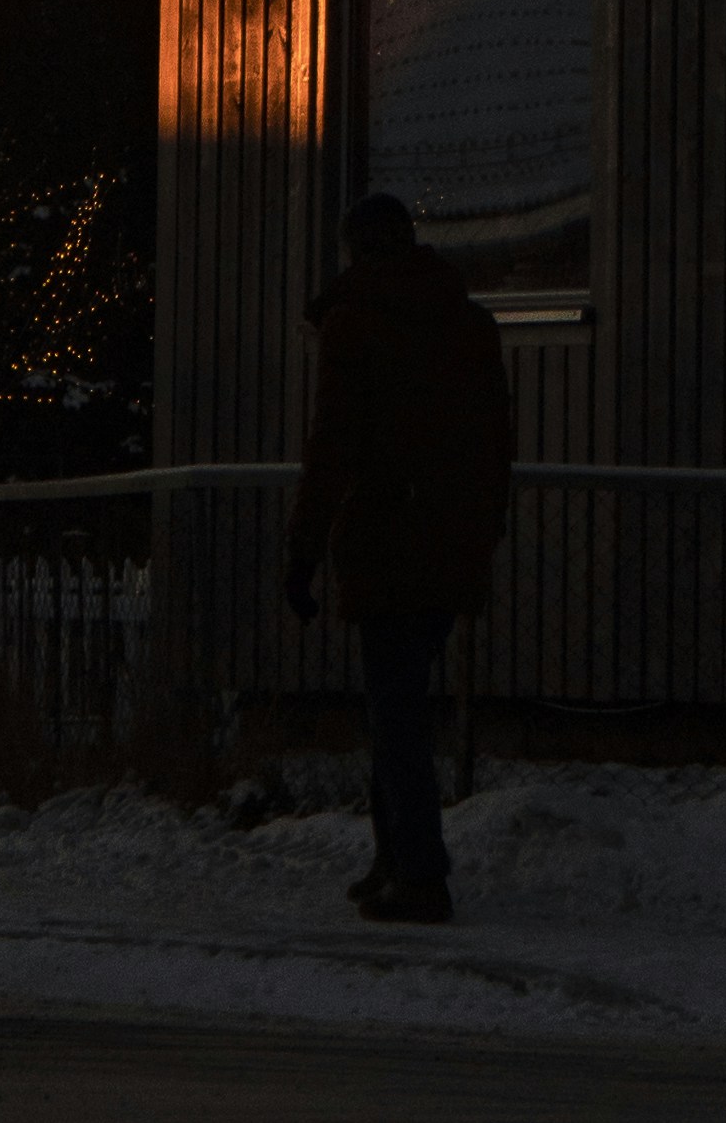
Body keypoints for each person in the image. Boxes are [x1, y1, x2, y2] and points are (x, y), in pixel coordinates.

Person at [281, 191, 514, 921]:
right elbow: (495, 439)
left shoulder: (356, 324)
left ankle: (417, 869)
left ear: (356, 248)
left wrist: (303, 549)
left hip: (386, 537)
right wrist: (484, 526)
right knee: (401, 702)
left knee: (394, 711)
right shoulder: (468, 324)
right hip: (452, 537)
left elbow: (333, 446)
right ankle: (396, 858)